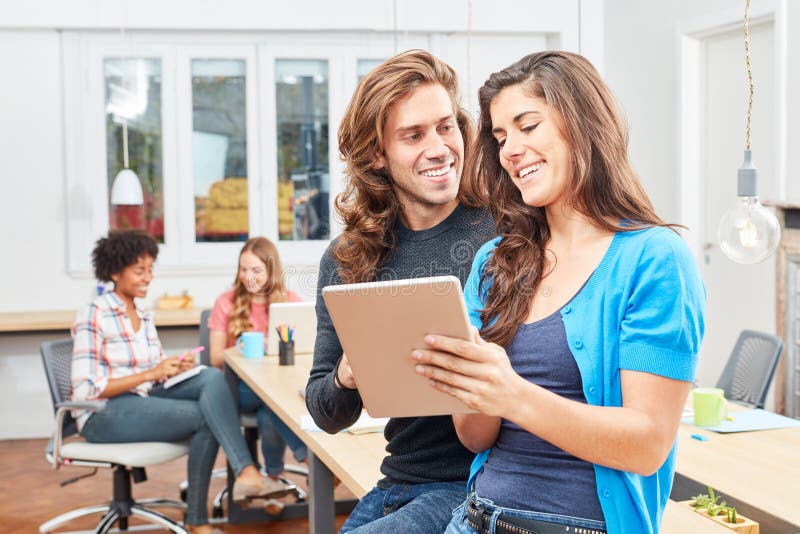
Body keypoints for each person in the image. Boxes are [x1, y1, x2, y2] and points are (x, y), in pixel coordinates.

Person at [411, 51, 706, 534]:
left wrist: (512, 394)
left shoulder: (654, 259)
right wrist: (466, 380)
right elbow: (473, 436)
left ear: (582, 123)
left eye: (528, 126)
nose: (509, 150)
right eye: (502, 137)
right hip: (476, 520)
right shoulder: (493, 262)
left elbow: (647, 445)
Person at [305, 49, 495, 533]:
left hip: (476, 486)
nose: (439, 148)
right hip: (398, 483)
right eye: (413, 135)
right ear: (377, 154)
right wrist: (349, 375)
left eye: (446, 126)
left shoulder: (504, 234)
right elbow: (324, 412)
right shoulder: (349, 258)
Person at [71, 230, 292, 533]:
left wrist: (173, 368)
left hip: (142, 398)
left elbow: (152, 370)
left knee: (211, 377)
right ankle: (223, 495)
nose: (148, 277)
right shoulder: (95, 313)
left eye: (150, 270)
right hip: (102, 413)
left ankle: (237, 481)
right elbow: (87, 388)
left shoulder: (141, 311)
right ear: (114, 272)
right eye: (139, 271)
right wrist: (152, 373)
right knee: (206, 416)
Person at [208, 236, 307, 512]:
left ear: (271, 271)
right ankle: (309, 461)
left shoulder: (290, 302)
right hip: (239, 390)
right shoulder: (226, 302)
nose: (248, 277)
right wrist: (245, 348)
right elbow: (215, 357)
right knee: (272, 399)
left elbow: (307, 349)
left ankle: (270, 481)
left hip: (277, 388)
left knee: (270, 410)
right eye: (243, 269)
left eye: (256, 270)